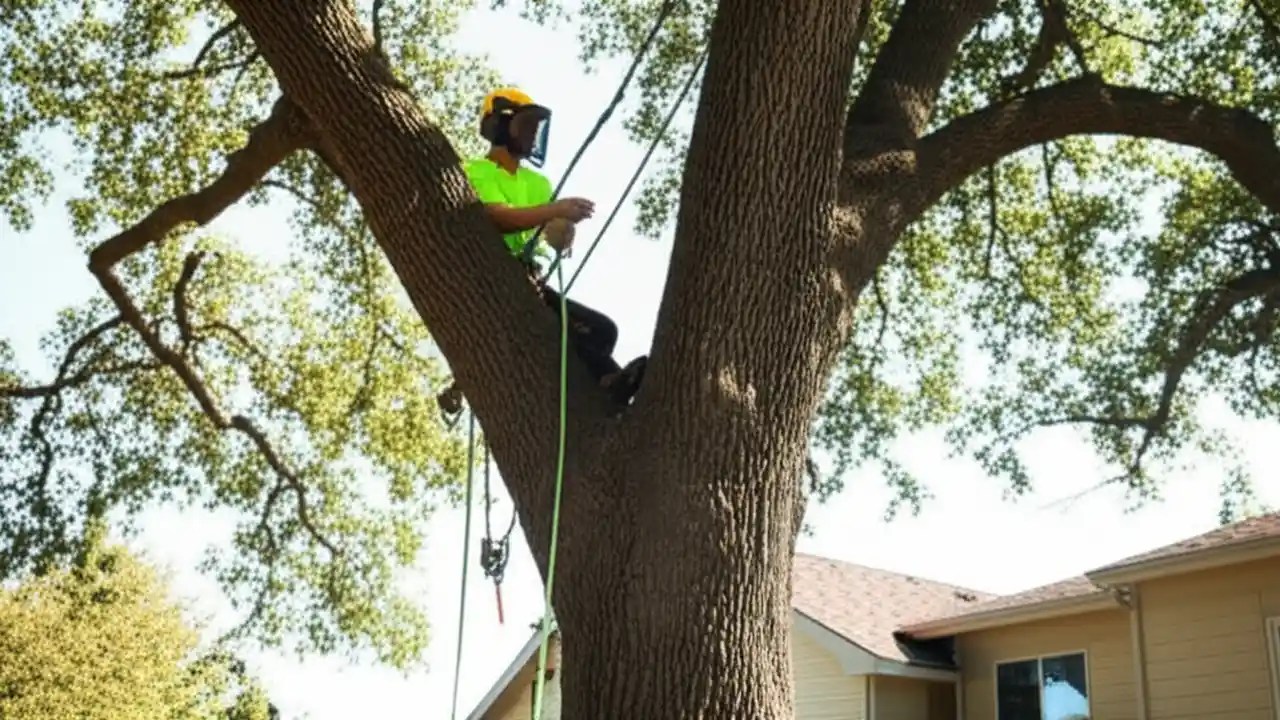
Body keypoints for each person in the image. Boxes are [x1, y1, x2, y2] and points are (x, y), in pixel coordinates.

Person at [440, 86, 646, 413]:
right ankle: (608, 384)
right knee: (580, 332)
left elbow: (546, 229)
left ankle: (609, 391)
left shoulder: (538, 184)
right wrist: (553, 211)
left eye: (536, 130)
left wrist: (561, 230)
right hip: (496, 279)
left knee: (602, 331)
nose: (533, 136)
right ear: (499, 127)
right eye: (526, 127)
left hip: (530, 280)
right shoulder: (476, 171)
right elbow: (497, 218)